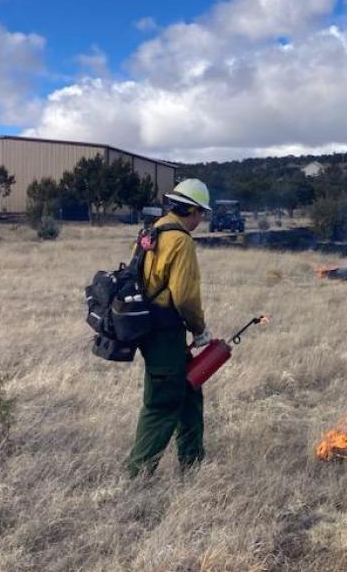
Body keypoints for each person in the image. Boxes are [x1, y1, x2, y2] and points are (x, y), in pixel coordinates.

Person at [125, 178, 212, 477]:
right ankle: (137, 475)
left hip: (149, 327)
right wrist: (199, 329)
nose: (201, 219)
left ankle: (192, 463)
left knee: (189, 391)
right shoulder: (181, 240)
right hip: (165, 332)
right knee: (162, 404)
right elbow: (185, 296)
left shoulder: (152, 231)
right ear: (192, 210)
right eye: (201, 212)